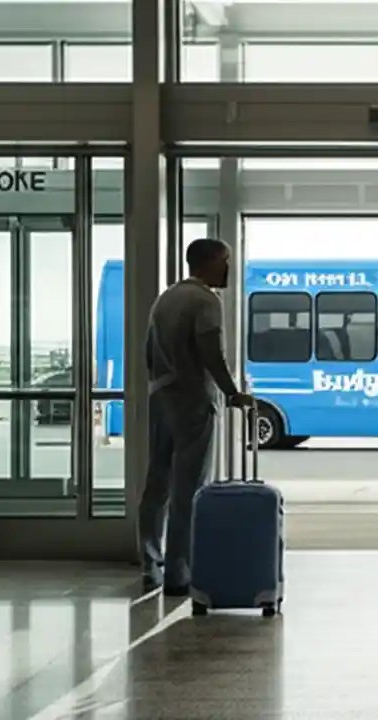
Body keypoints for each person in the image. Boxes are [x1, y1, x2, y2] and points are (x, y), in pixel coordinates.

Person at [139, 238, 254, 595]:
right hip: (192, 399)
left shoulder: (166, 298)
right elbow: (211, 353)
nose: (229, 268)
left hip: (160, 395)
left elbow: (148, 351)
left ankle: (149, 563)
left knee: (157, 482)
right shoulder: (206, 300)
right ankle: (179, 571)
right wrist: (231, 392)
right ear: (209, 262)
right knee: (189, 487)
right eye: (226, 261)